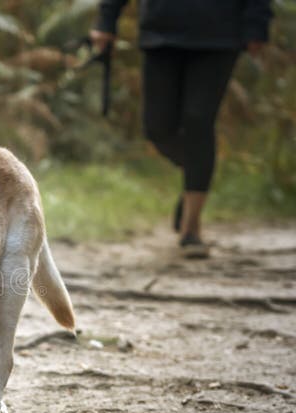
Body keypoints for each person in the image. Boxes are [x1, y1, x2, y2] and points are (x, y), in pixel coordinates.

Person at [91, 0, 273, 258]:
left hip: (219, 35)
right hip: (161, 34)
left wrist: (257, 25)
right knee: (157, 128)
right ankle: (195, 175)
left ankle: (191, 229)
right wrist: (106, 20)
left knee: (199, 120)